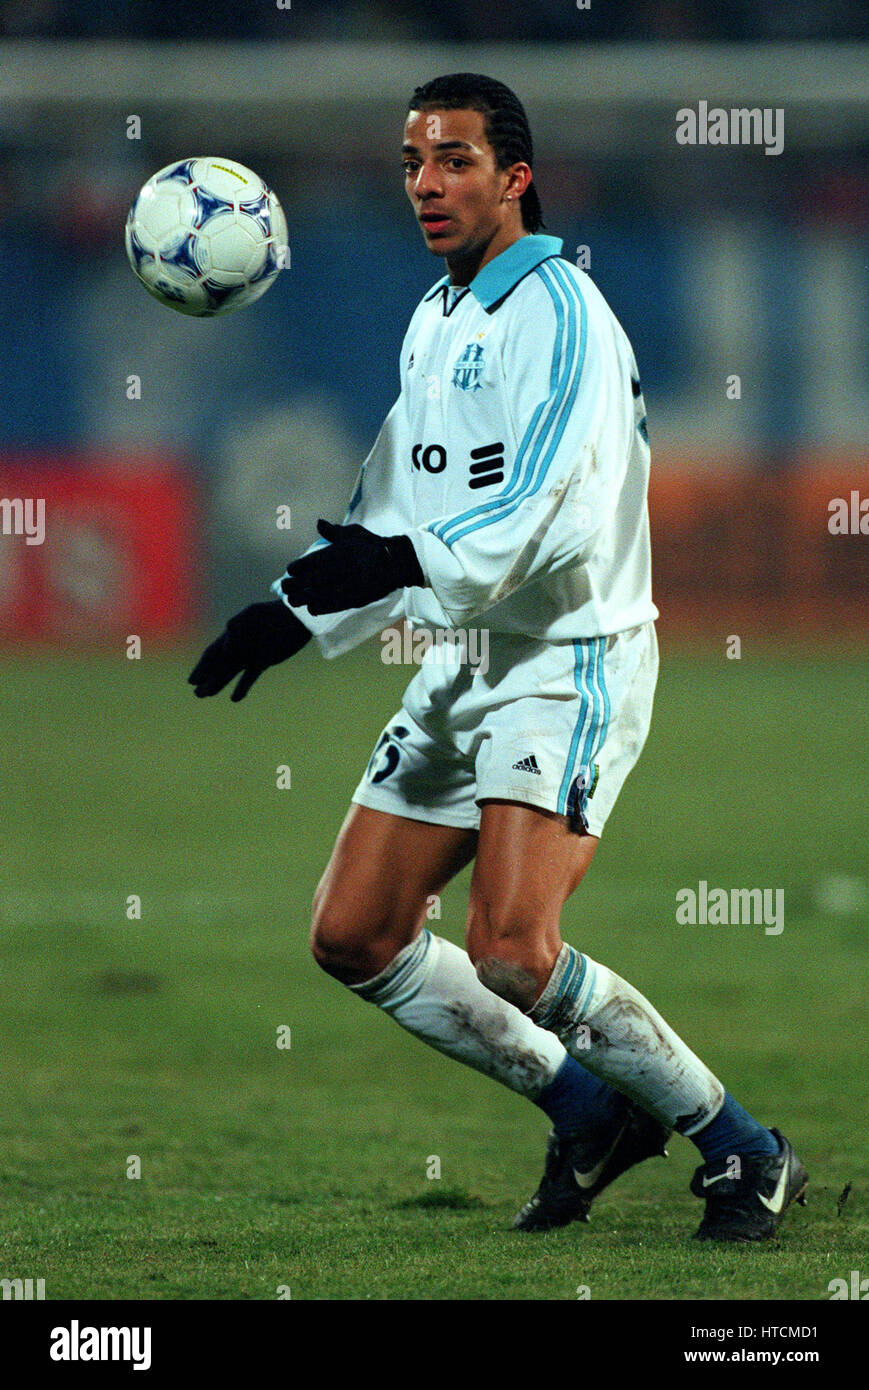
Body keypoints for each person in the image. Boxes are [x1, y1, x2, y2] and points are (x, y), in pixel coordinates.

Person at [190, 73, 808, 1241]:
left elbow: (545, 510)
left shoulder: (561, 311)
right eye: (414, 163)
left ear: (514, 178)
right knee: (353, 936)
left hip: (567, 660)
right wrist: (291, 610)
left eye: (455, 161)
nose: (427, 183)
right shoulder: (438, 314)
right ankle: (587, 1111)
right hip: (467, 654)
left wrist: (390, 565)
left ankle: (741, 1147)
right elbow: (388, 507)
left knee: (513, 951)